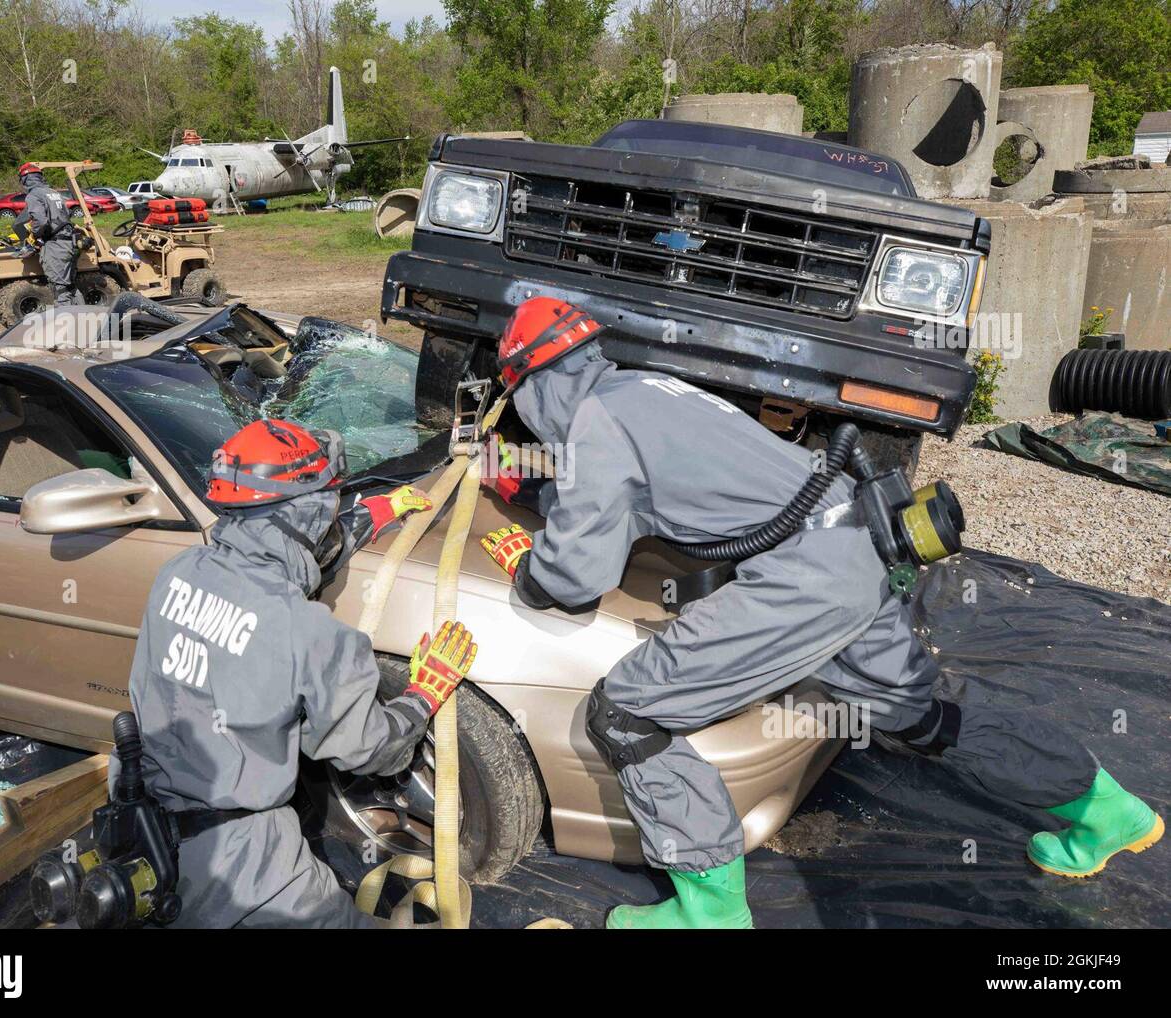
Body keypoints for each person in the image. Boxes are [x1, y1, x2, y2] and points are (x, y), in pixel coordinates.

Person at [478, 296, 1164, 930]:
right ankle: (1104, 808)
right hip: (855, 543)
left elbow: (575, 577)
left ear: (530, 380)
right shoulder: (636, 388)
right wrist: (539, 483)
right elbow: (654, 487)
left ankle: (707, 910)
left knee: (626, 713)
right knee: (919, 714)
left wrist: (524, 564)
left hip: (803, 579)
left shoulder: (595, 425)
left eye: (516, 395)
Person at [117, 417, 478, 928]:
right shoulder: (309, 632)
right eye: (329, 506)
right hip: (241, 861)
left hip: (137, 825)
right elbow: (369, 748)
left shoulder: (176, 574)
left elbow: (267, 564)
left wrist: (374, 514)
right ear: (309, 516)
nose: (334, 513)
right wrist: (422, 695)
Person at [15, 162, 79, 306]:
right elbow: (66, 214)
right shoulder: (53, 192)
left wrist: (34, 235)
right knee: (70, 286)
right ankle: (83, 317)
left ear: (25, 179)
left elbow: (40, 220)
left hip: (55, 246)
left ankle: (68, 324)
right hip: (69, 242)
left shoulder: (33, 195)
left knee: (60, 290)